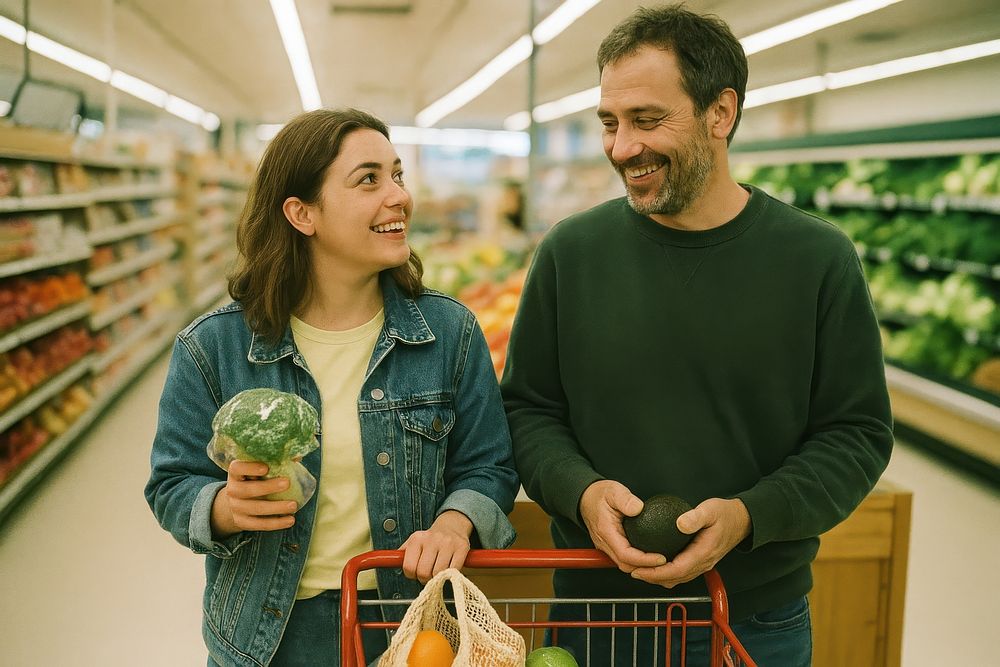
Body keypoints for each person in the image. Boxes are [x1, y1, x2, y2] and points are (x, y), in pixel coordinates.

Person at [501, 5, 893, 665]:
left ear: (721, 113)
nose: (623, 147)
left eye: (648, 120)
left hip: (752, 619)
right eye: (610, 123)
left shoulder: (816, 260)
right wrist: (581, 491)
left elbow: (856, 435)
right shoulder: (572, 252)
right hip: (596, 617)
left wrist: (749, 515)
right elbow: (528, 408)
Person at [145, 108, 519, 667]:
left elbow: (490, 466)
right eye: (368, 179)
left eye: (397, 175)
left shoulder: (449, 333)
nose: (398, 196)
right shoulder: (214, 347)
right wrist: (224, 506)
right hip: (267, 633)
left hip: (408, 623)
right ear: (302, 213)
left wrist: (455, 520)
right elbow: (171, 484)